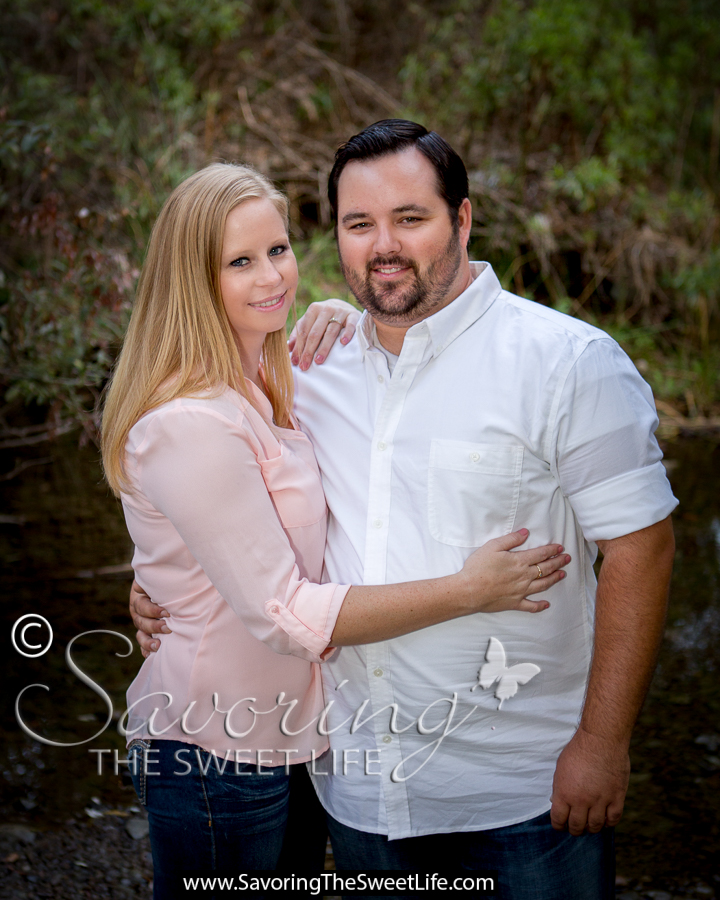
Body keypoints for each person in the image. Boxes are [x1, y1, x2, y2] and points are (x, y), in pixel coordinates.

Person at [133, 123, 677, 899]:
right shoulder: (310, 368)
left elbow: (642, 550)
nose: (383, 246)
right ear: (338, 236)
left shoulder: (569, 364)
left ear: (462, 219)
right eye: (359, 224)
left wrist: (602, 741)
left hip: (522, 792)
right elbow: (203, 492)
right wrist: (163, 587)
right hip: (361, 792)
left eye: (410, 218)